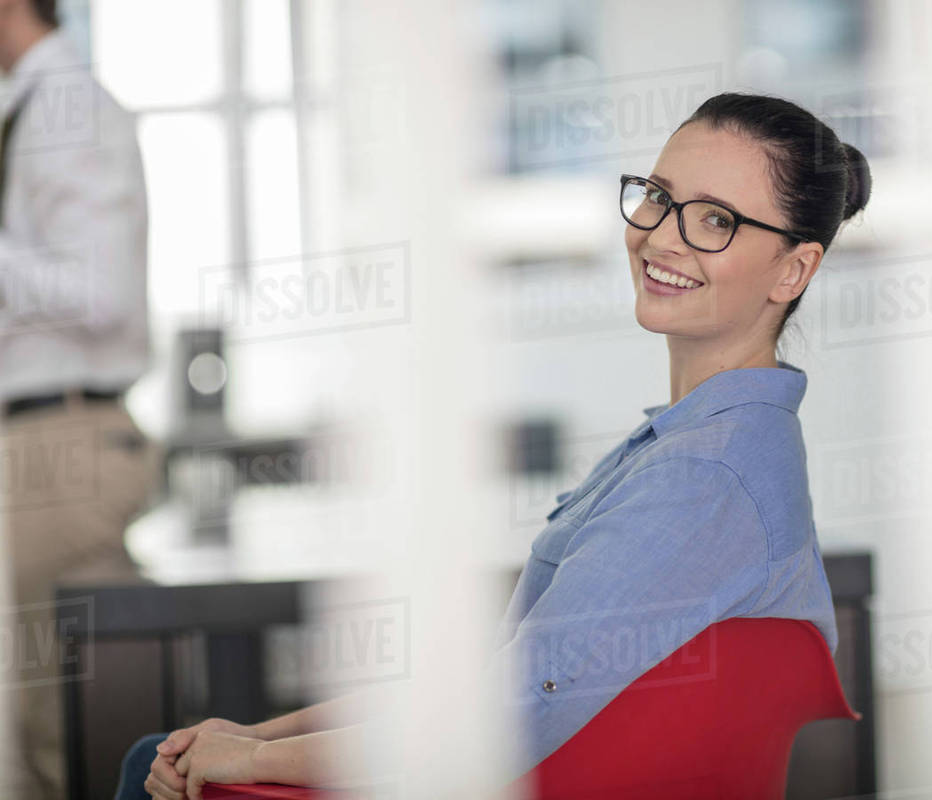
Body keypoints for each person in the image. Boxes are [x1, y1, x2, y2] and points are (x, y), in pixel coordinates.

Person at [121, 90, 872, 798]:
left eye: (715, 221)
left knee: (145, 761)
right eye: (659, 196)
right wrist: (258, 733)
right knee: (167, 750)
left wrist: (251, 758)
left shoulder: (704, 476)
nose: (659, 234)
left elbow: (503, 716)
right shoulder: (698, 444)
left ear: (794, 269)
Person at [0, 0, 157, 797]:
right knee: (50, 729)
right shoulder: (29, 108)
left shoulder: (66, 107)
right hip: (43, 442)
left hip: (61, 443)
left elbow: (102, 293)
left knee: (62, 736)